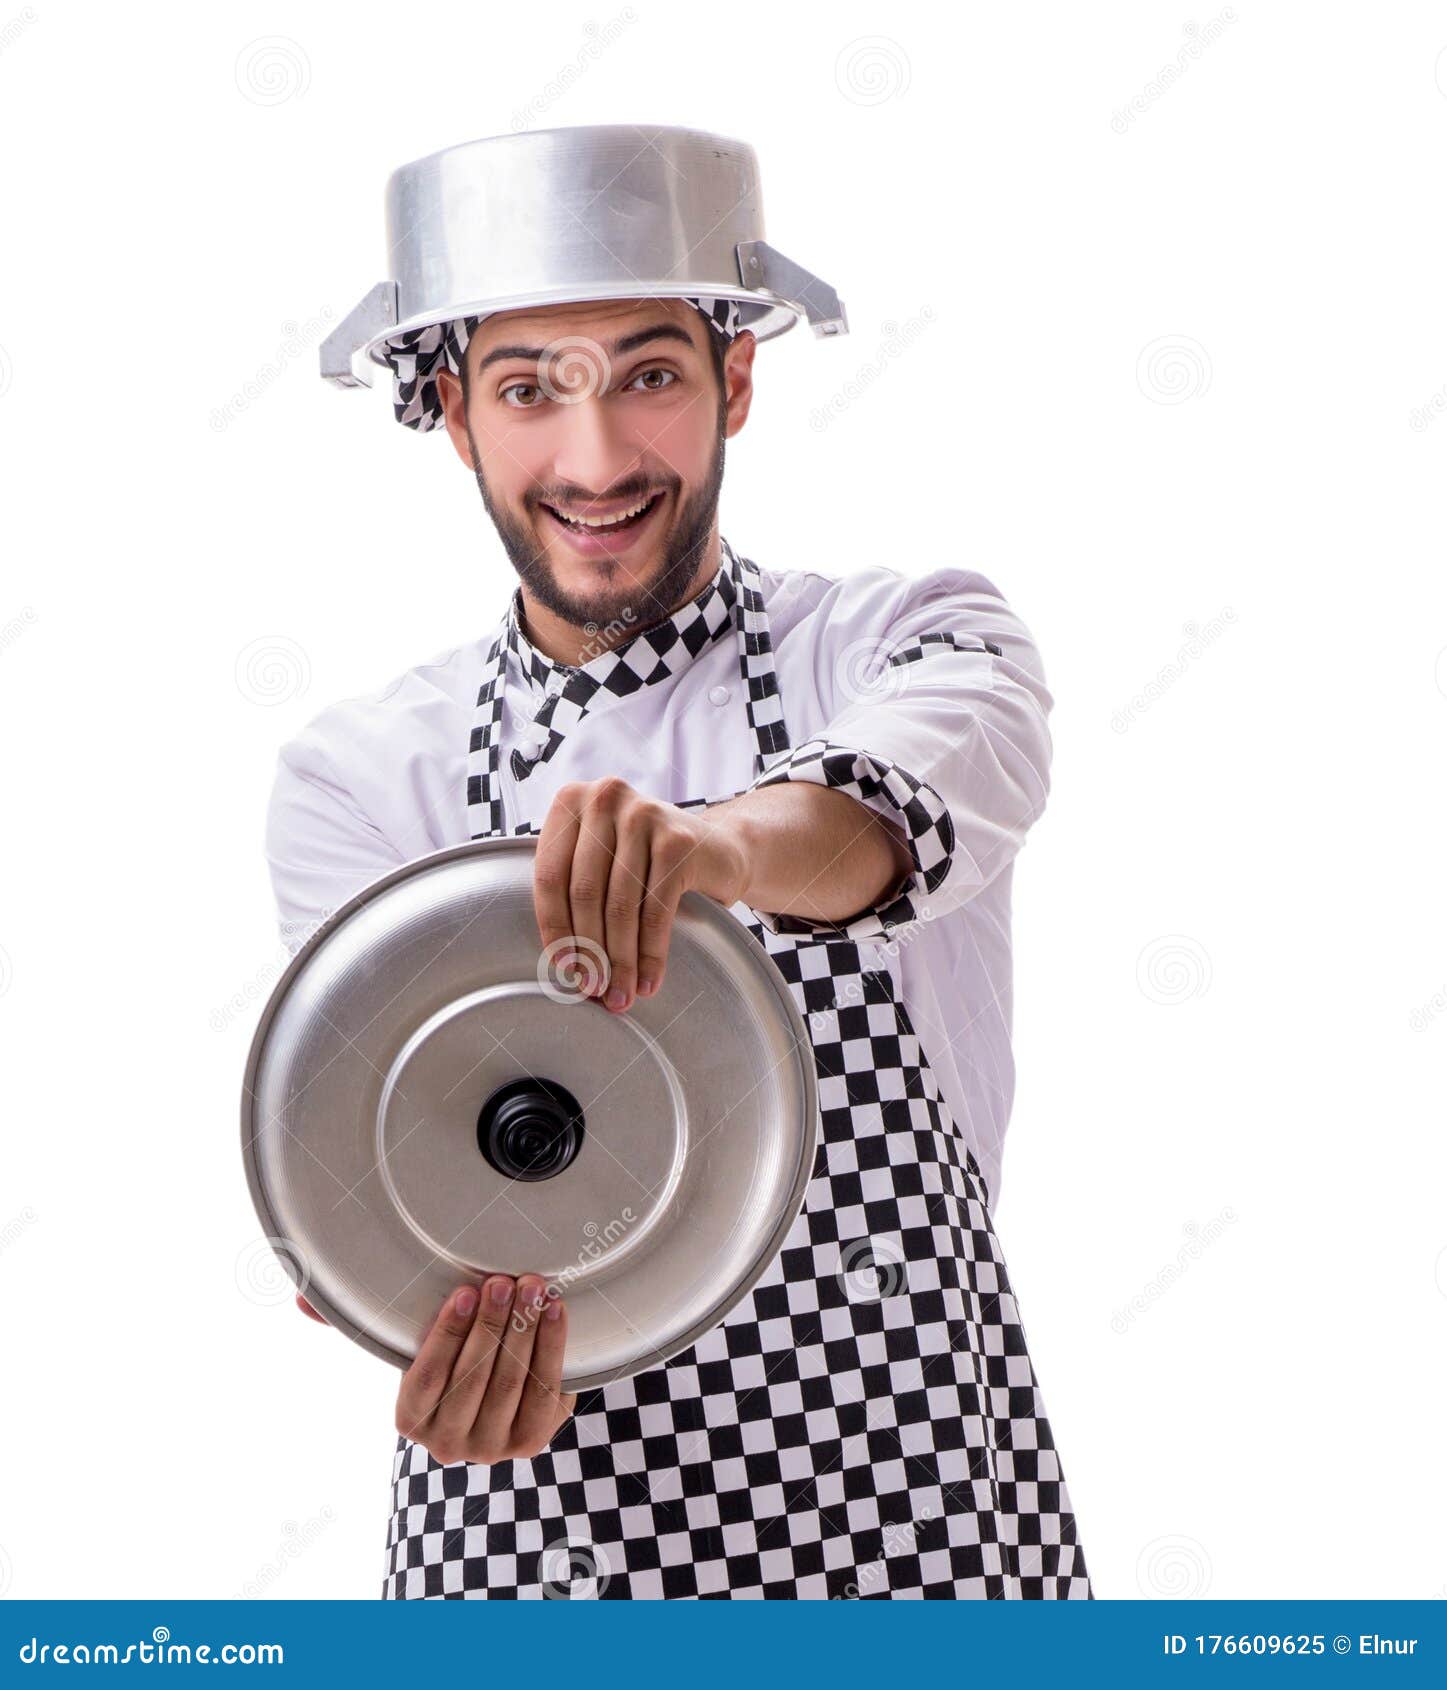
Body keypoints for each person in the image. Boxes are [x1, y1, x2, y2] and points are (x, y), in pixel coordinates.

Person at [265, 271, 1091, 1603]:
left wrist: (715, 850)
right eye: (529, 390)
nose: (595, 462)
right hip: (530, 1552)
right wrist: (372, 1284)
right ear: (456, 417)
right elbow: (358, 1165)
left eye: (648, 376)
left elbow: (886, 812)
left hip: (911, 1522)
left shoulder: (913, 640)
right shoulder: (364, 779)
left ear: (737, 384)